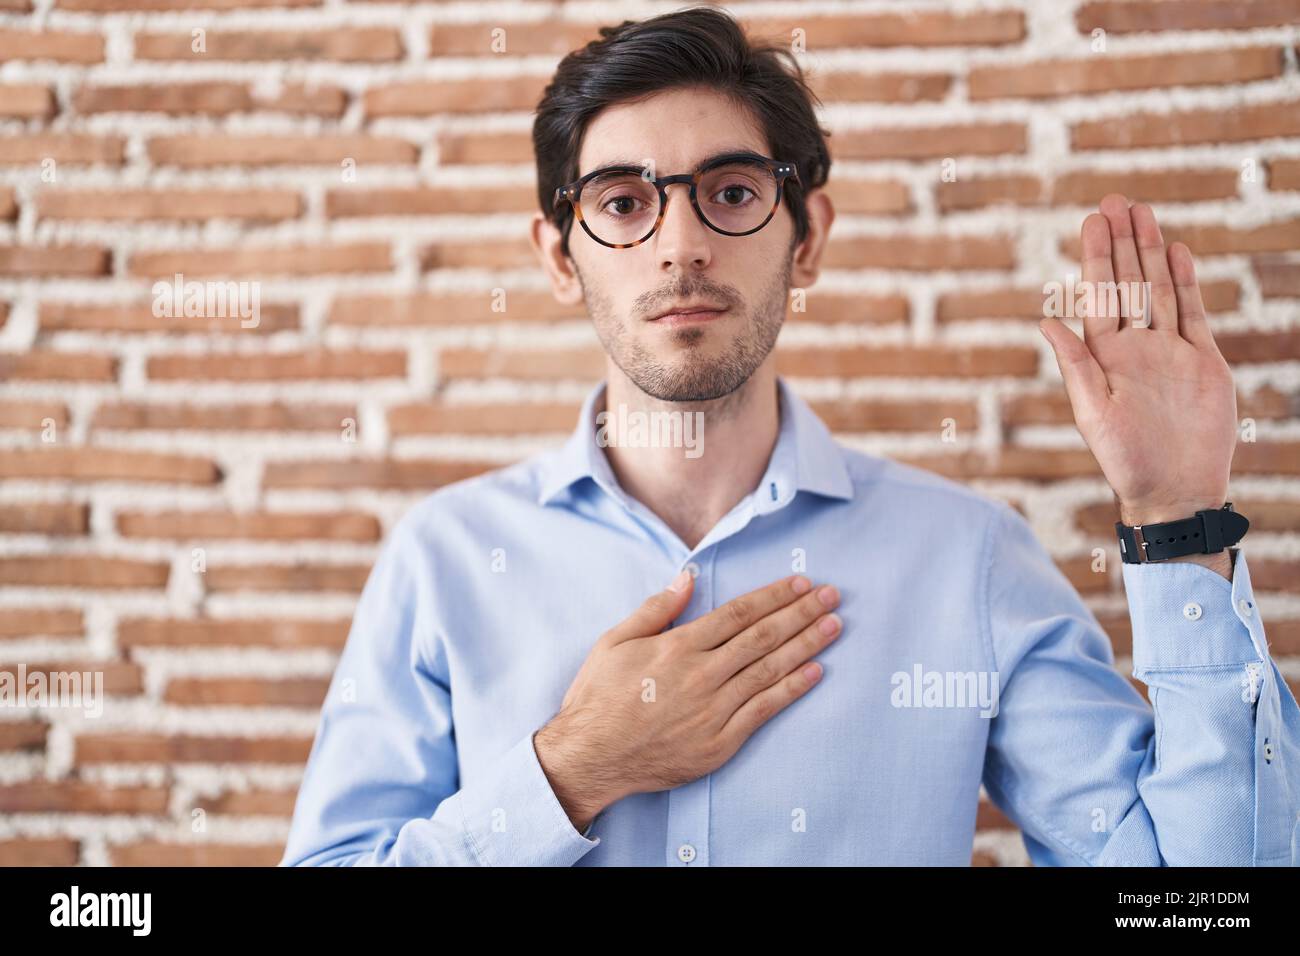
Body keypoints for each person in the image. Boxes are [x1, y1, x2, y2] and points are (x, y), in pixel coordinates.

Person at [280, 6, 1298, 866]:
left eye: (730, 193)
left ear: (804, 237)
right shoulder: (442, 558)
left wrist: (1175, 518)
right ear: (558, 257)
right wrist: (572, 769)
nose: (678, 245)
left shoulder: (966, 559)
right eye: (623, 202)